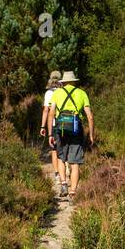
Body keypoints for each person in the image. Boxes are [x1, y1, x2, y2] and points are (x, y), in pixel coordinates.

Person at [47, 70, 94, 202]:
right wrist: (91, 135)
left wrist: (50, 133)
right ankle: (73, 192)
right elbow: (90, 117)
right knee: (75, 163)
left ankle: (63, 184)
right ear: (74, 81)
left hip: (60, 129)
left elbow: (51, 114)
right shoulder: (82, 93)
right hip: (76, 130)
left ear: (63, 82)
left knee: (61, 158)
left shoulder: (57, 93)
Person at [40, 70, 61, 182]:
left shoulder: (48, 93)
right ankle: (66, 170)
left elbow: (45, 111)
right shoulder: (63, 91)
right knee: (64, 148)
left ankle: (57, 174)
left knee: (54, 150)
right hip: (64, 123)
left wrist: (43, 126)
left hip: (53, 124)